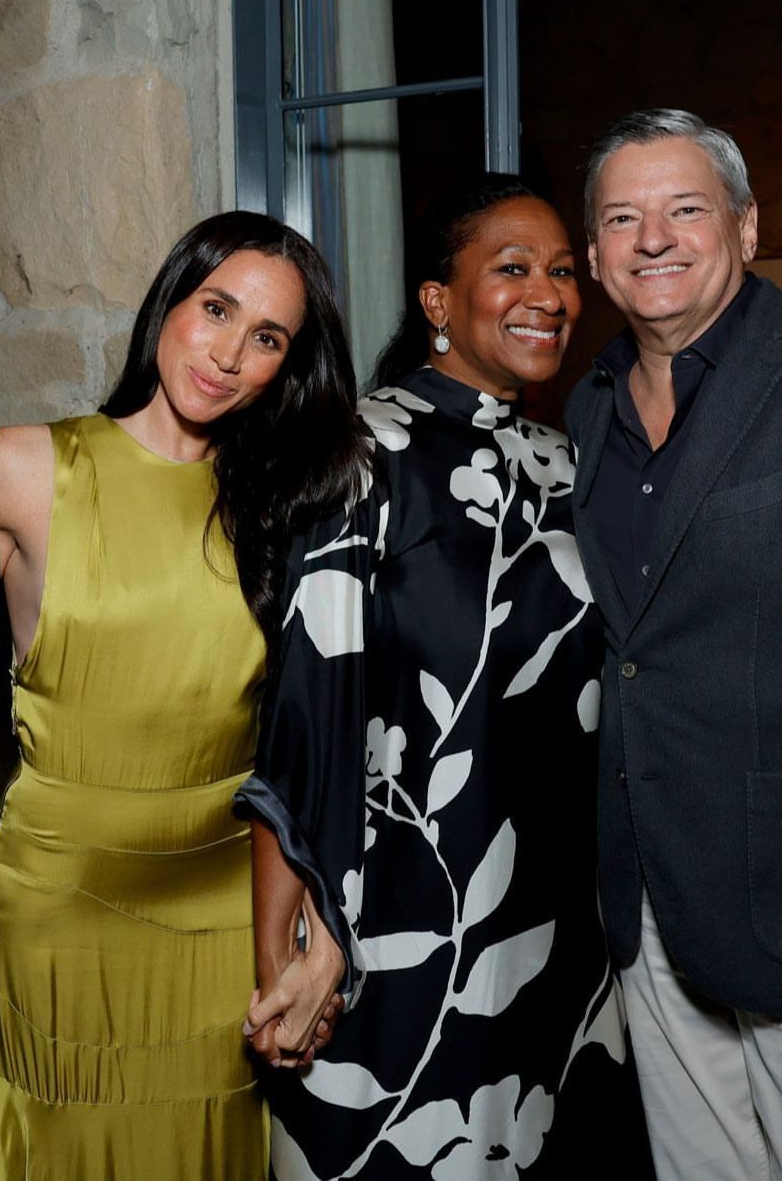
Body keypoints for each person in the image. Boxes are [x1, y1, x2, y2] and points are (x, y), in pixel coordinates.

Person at [239, 176, 652, 1179]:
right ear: (437, 300)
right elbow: (308, 716)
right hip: (402, 929)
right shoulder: (356, 454)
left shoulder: (574, 466)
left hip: (563, 934)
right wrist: (286, 946)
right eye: (512, 269)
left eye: (561, 271)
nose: (548, 294)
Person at [0, 211, 365, 1179]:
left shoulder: (290, 510)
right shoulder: (20, 468)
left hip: (220, 920)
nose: (227, 354)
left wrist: (312, 917)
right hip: (54, 911)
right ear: (167, 305)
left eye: (265, 338)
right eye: (215, 309)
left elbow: (322, 734)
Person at [566, 107, 782, 1178]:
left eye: (685, 209)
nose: (653, 237)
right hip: (648, 882)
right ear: (597, 252)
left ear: (744, 228)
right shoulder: (587, 409)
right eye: (622, 217)